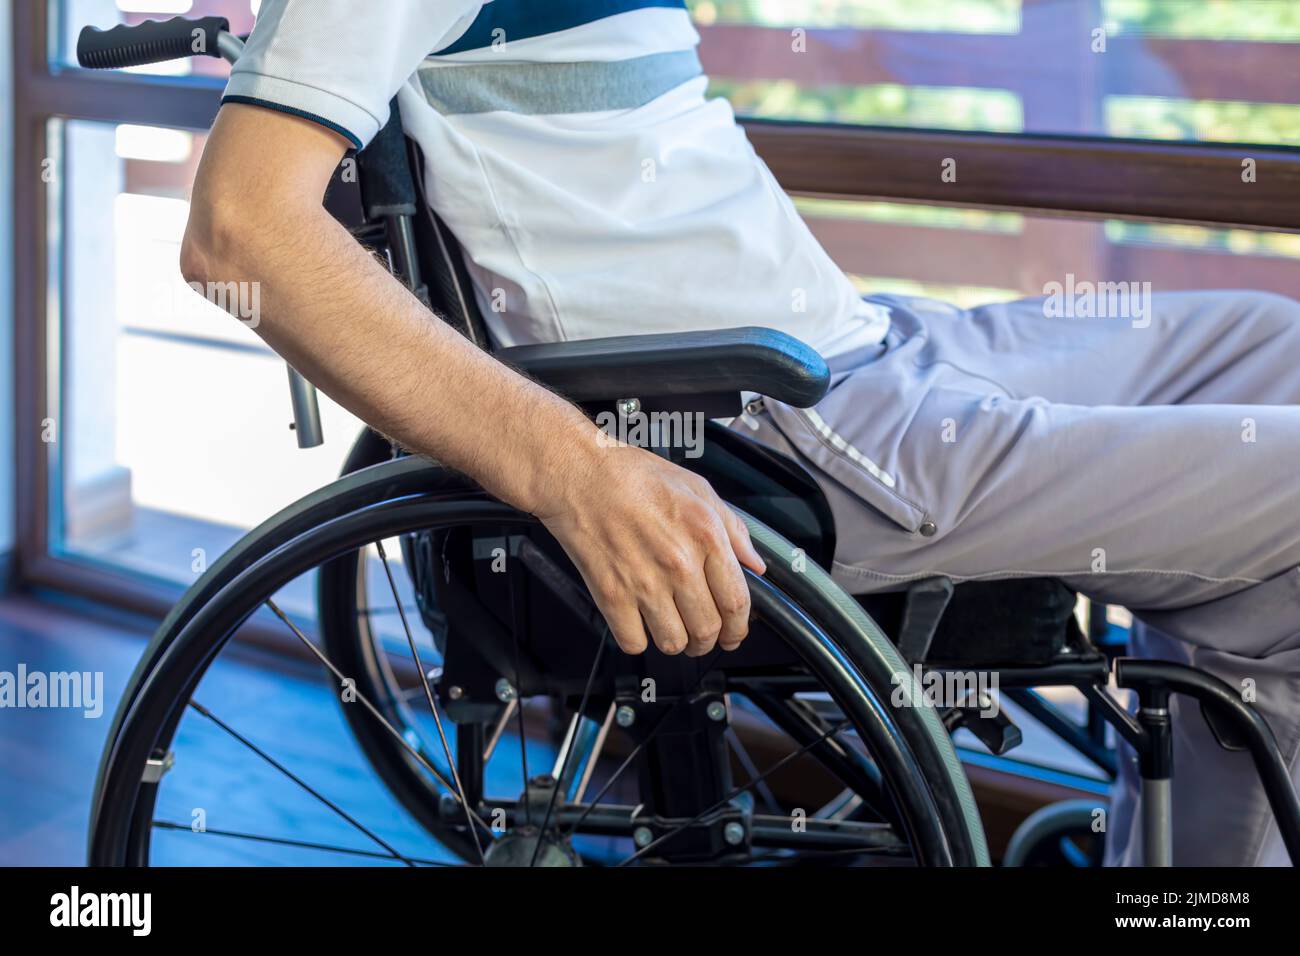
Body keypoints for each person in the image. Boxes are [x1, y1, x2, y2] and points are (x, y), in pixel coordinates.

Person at [182, 0, 1300, 865]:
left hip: (868, 344)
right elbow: (241, 232)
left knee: (1271, 342)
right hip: (781, 419)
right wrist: (576, 469)